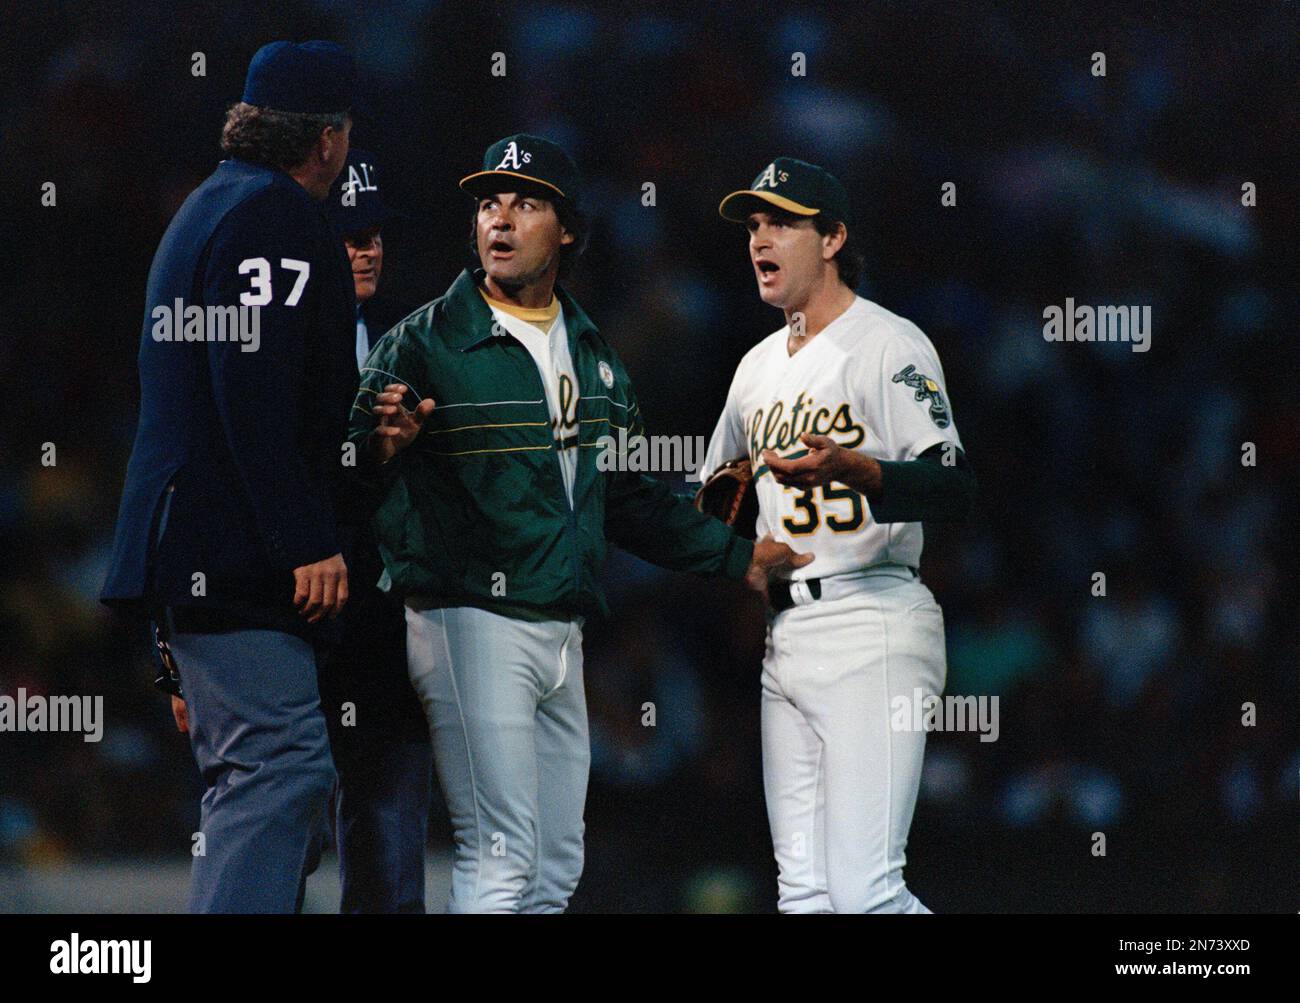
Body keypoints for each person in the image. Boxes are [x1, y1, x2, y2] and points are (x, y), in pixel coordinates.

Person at [347, 134, 810, 913]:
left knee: (553, 868)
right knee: (499, 860)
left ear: (565, 229)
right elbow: (343, 471)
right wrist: (377, 453)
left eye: (525, 203)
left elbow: (627, 498)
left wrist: (742, 558)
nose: (499, 219)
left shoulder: (592, 351)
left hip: (562, 623)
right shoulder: (423, 342)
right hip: (467, 616)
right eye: (488, 203)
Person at [100, 40, 360, 913]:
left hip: (194, 551)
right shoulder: (275, 217)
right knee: (279, 774)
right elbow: (250, 394)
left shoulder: (209, 206)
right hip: (234, 553)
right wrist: (308, 540)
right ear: (326, 139)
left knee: (264, 789)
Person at [703, 157, 976, 913]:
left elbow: (957, 488)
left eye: (782, 221)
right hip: (785, 633)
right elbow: (714, 498)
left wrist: (862, 471)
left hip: (872, 618)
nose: (760, 236)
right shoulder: (754, 368)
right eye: (754, 223)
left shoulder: (889, 344)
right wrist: (734, 551)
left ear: (833, 237)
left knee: (867, 892)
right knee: (807, 897)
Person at [318, 149, 432, 913]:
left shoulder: (411, 341)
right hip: (298, 605)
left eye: (377, 234)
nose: (369, 248)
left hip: (386, 613)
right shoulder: (268, 342)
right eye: (351, 233)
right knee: (284, 815)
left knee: (391, 822)